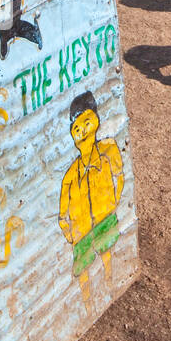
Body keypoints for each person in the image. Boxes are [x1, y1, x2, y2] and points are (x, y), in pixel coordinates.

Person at [58, 91, 125, 301]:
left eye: (86, 122)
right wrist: (69, 233)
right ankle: (87, 304)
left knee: (108, 255)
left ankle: (110, 286)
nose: (82, 132)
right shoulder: (70, 175)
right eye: (76, 129)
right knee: (83, 271)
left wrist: (114, 200)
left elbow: (119, 175)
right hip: (81, 231)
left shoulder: (109, 149)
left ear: (96, 121)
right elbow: (62, 212)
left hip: (105, 216)